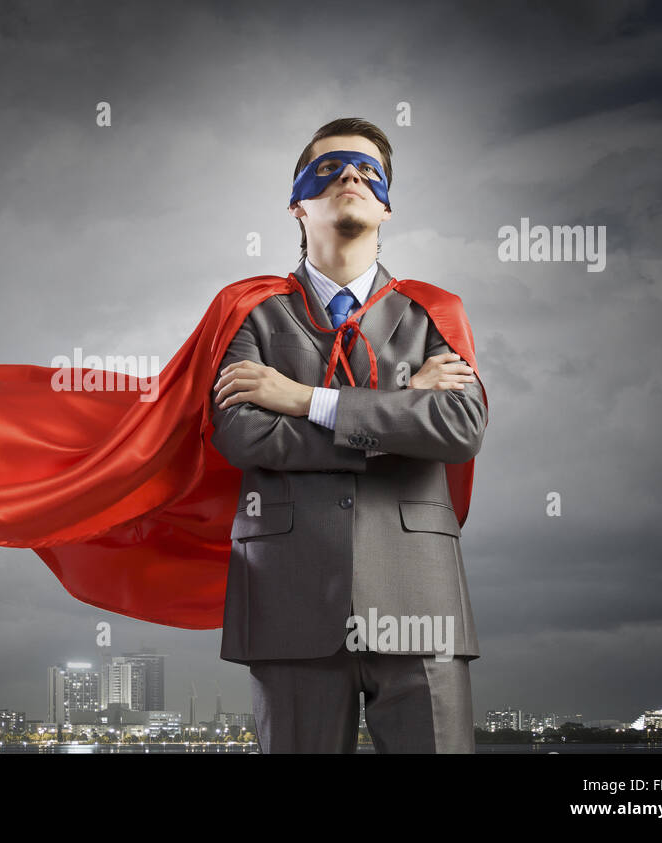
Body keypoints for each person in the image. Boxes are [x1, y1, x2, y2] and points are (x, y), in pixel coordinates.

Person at [208, 117, 487, 753]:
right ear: (297, 204)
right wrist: (399, 411)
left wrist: (306, 400)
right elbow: (241, 434)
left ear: (386, 207)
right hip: (287, 595)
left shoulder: (433, 312)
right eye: (328, 169)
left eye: (368, 171)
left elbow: (460, 428)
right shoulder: (248, 311)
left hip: (422, 600)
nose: (351, 177)